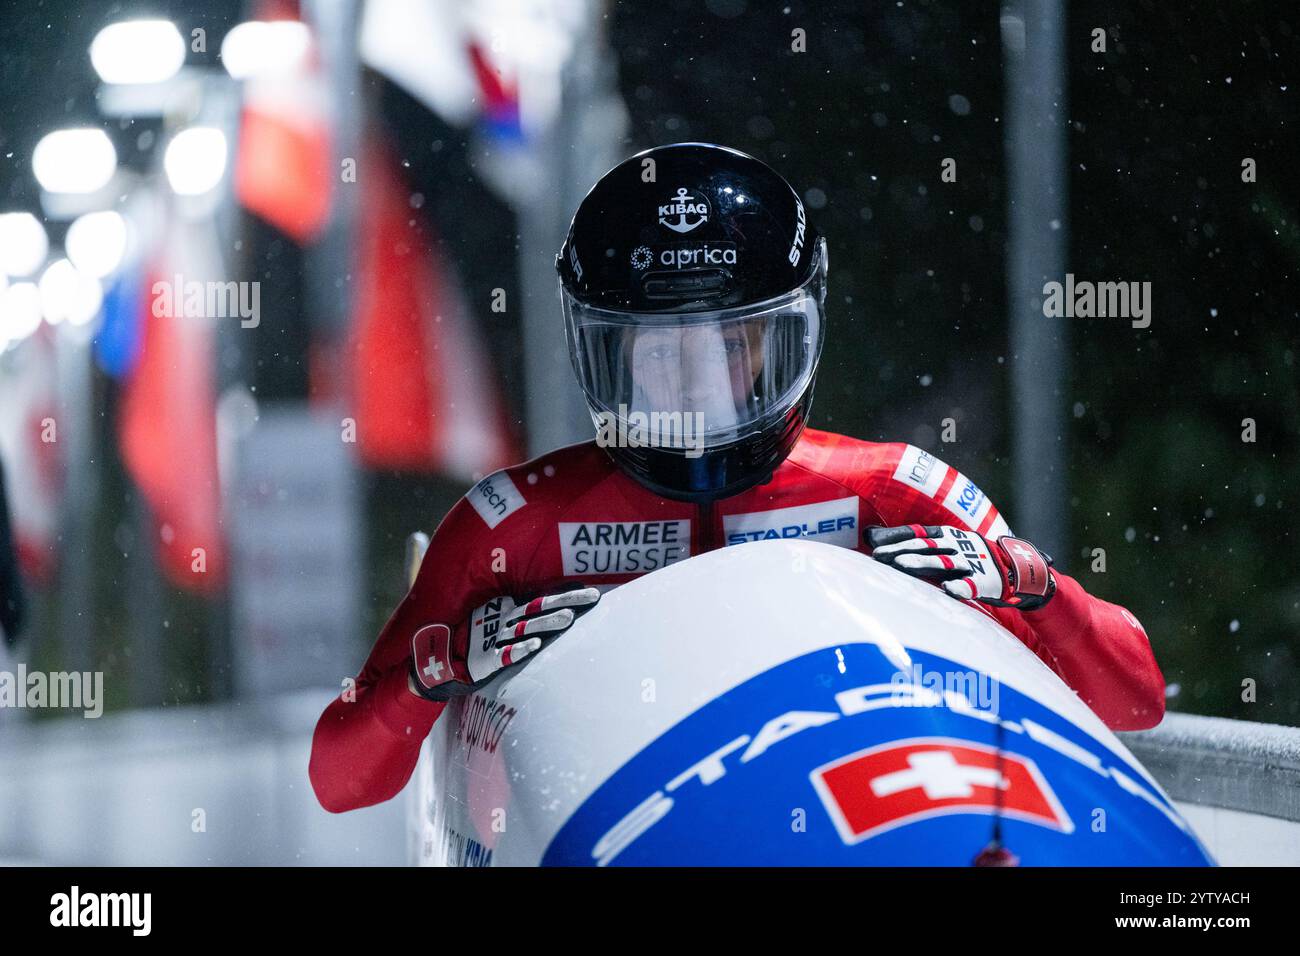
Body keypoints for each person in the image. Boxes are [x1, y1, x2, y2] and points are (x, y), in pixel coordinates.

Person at [310, 143, 1165, 814]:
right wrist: (434, 672)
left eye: (729, 348)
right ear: (600, 352)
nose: (695, 390)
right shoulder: (508, 528)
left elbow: (1132, 698)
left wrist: (1033, 588)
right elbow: (343, 776)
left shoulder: (898, 494)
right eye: (655, 352)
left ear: (789, 340)